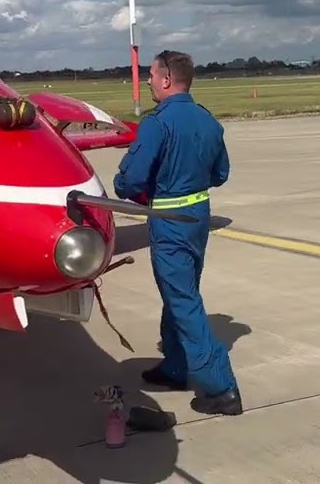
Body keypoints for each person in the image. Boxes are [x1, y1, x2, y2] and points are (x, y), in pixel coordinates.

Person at [112, 50, 241, 416]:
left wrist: (125, 182)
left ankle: (220, 387)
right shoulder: (208, 121)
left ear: (167, 80)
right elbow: (220, 174)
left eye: (150, 75)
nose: (148, 81)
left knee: (183, 300)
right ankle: (176, 366)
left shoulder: (158, 123)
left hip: (169, 219)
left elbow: (130, 181)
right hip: (198, 216)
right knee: (181, 292)